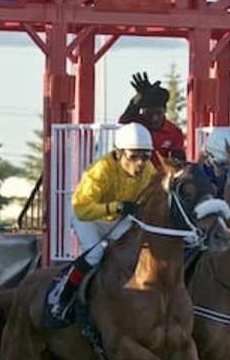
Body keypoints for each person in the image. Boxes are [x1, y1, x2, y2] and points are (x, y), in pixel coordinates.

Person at [46, 122, 158, 321]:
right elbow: (82, 209)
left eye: (145, 156)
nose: (140, 163)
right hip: (89, 217)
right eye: (134, 156)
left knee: (132, 253)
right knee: (96, 255)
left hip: (118, 218)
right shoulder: (100, 170)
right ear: (118, 153)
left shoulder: (149, 170)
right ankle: (63, 298)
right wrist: (116, 207)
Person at [118, 72, 186, 166]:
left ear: (165, 110)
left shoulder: (174, 133)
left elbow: (178, 163)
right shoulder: (136, 124)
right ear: (143, 112)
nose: (154, 118)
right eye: (149, 114)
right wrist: (138, 97)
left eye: (159, 113)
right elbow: (123, 122)